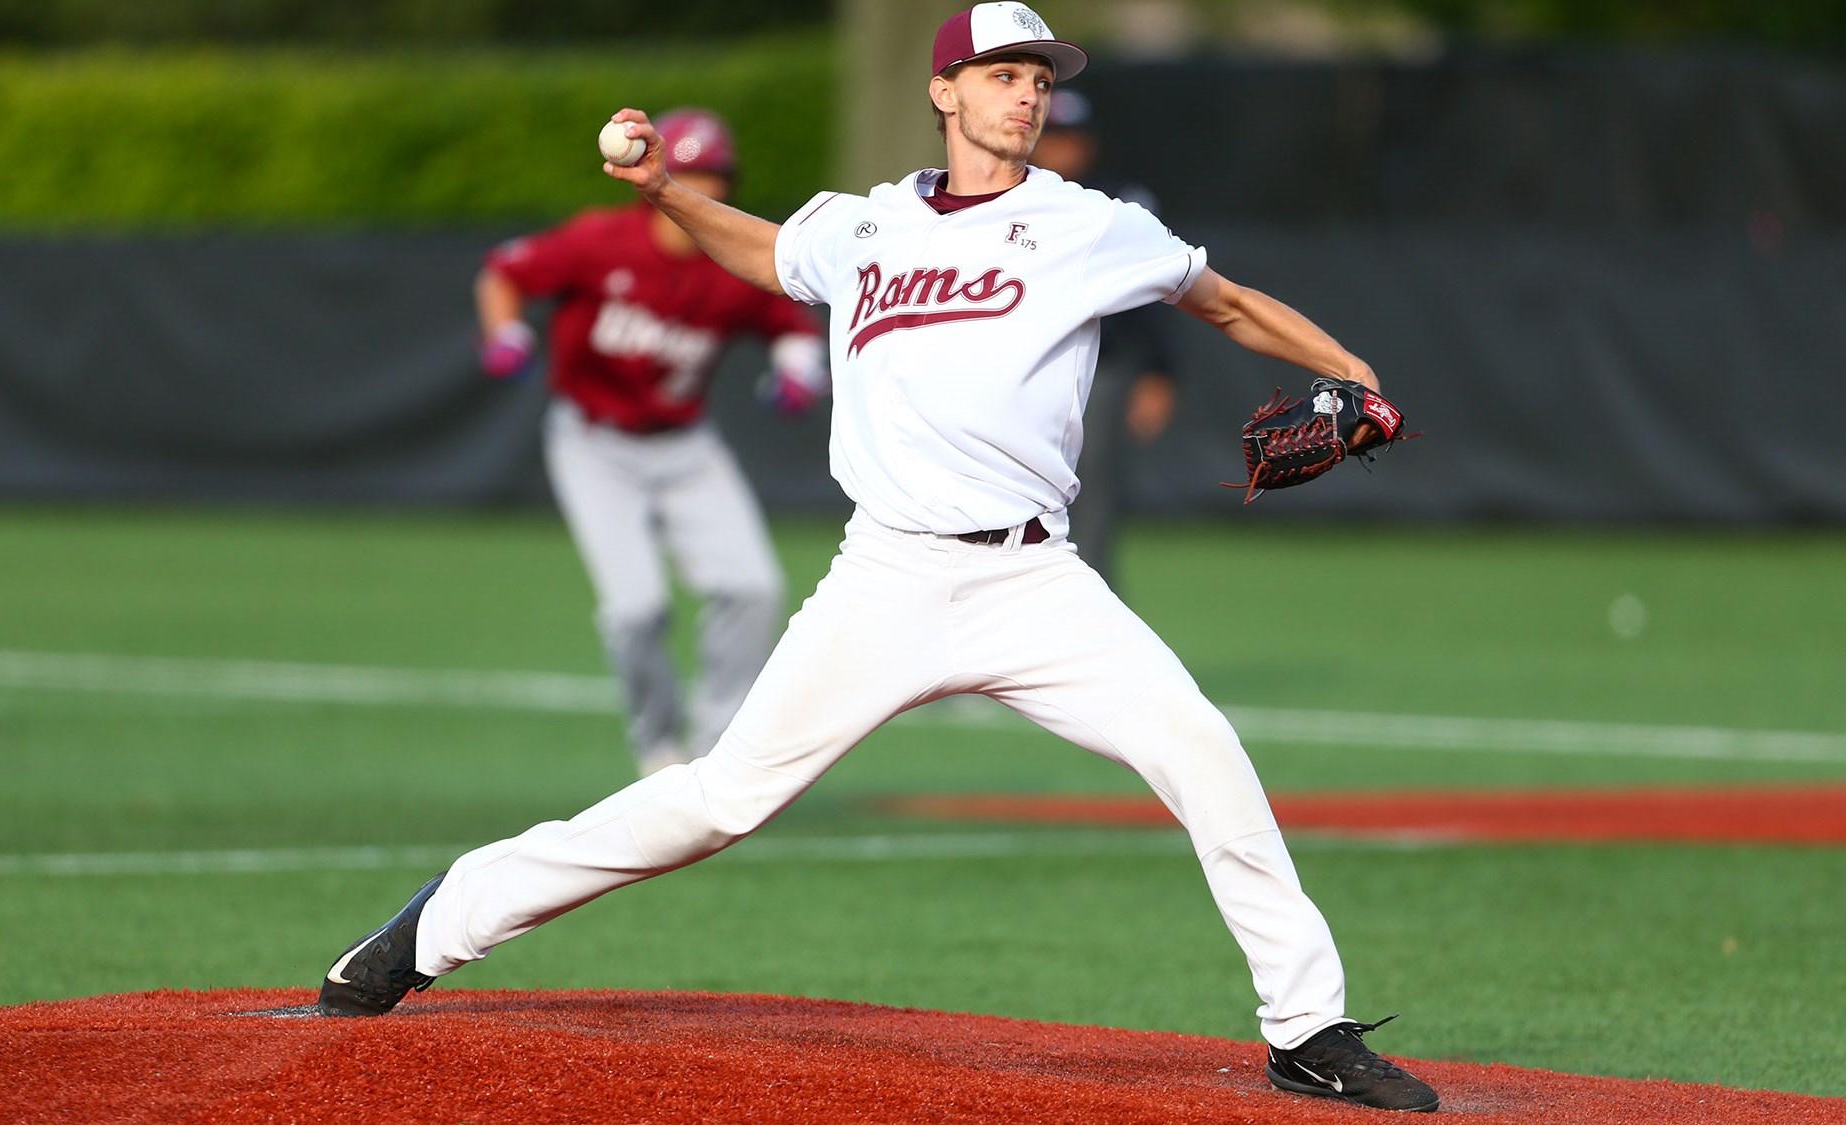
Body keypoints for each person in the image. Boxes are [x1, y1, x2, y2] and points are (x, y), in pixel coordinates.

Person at [320, 5, 1437, 1113]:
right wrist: (664, 189)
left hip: (1034, 582)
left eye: (1040, 77)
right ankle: (441, 922)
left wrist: (1353, 368)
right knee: (718, 803)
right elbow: (762, 251)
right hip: (887, 576)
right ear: (944, 90)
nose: (1028, 93)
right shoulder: (860, 227)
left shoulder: (1089, 224)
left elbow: (1227, 304)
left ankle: (1306, 1030)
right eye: (1004, 73)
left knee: (1202, 753)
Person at [473, 108, 829, 779]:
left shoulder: (731, 255)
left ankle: (718, 753)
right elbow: (504, 272)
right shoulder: (600, 240)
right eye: (690, 171)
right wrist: (505, 333)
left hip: (687, 446)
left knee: (753, 588)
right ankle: (658, 746)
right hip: (593, 443)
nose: (704, 187)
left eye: (714, 175)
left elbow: (790, 318)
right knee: (635, 607)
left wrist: (797, 368)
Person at [1030, 89, 1179, 590]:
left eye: (1071, 138)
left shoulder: (1120, 204)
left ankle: (1089, 605)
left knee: (1089, 494)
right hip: (1026, 367)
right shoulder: (1013, 199)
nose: (1062, 150)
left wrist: (1159, 372)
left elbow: (1159, 294)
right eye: (1053, 138)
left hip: (1102, 370)